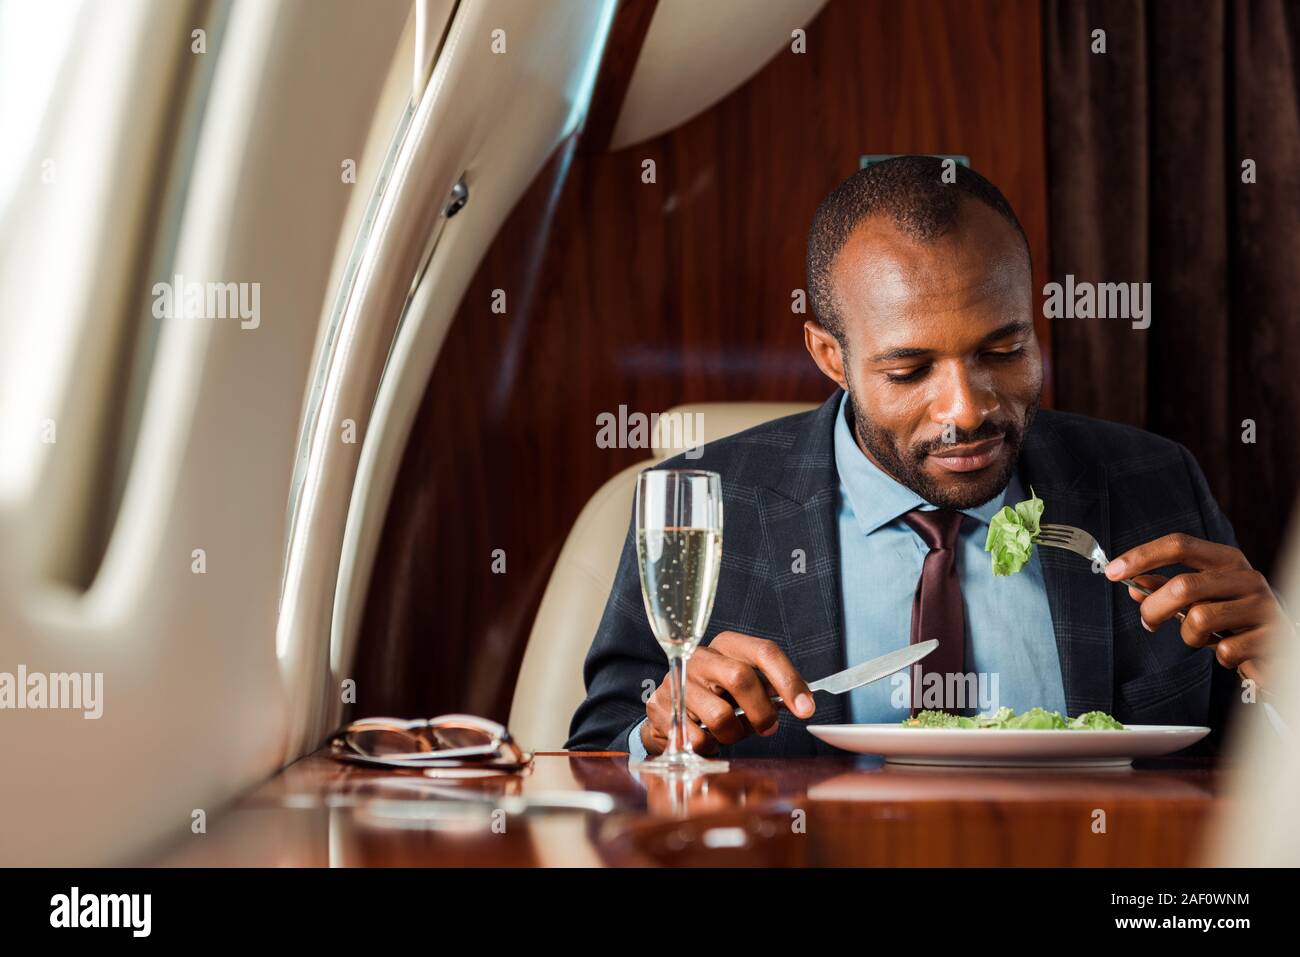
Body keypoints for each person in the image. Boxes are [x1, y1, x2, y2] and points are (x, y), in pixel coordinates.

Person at [566, 155, 1286, 759]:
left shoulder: (1154, 482)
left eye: (1003, 352)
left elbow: (1253, 766)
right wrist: (658, 733)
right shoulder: (701, 502)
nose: (966, 410)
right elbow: (597, 756)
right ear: (830, 356)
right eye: (909, 371)